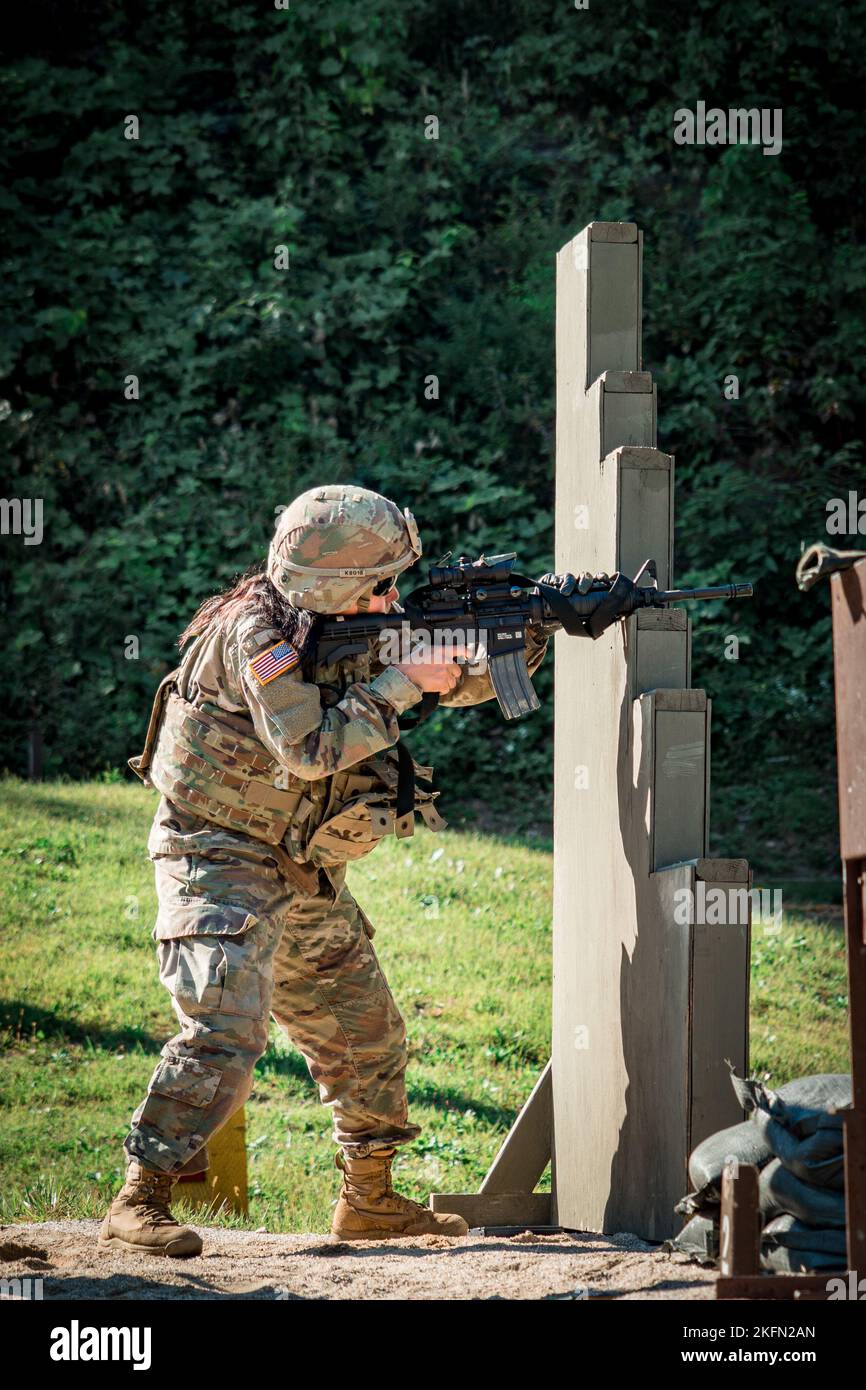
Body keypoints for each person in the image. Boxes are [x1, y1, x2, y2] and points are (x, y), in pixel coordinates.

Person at [98, 484, 549, 1256]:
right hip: (215, 852)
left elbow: (456, 681)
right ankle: (141, 1195)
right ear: (335, 585)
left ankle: (368, 1200)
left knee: (363, 1027)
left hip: (298, 862)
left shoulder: (346, 624)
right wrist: (407, 684)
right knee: (225, 1023)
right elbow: (309, 752)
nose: (393, 598)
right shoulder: (257, 638)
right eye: (380, 584)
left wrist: (516, 638)